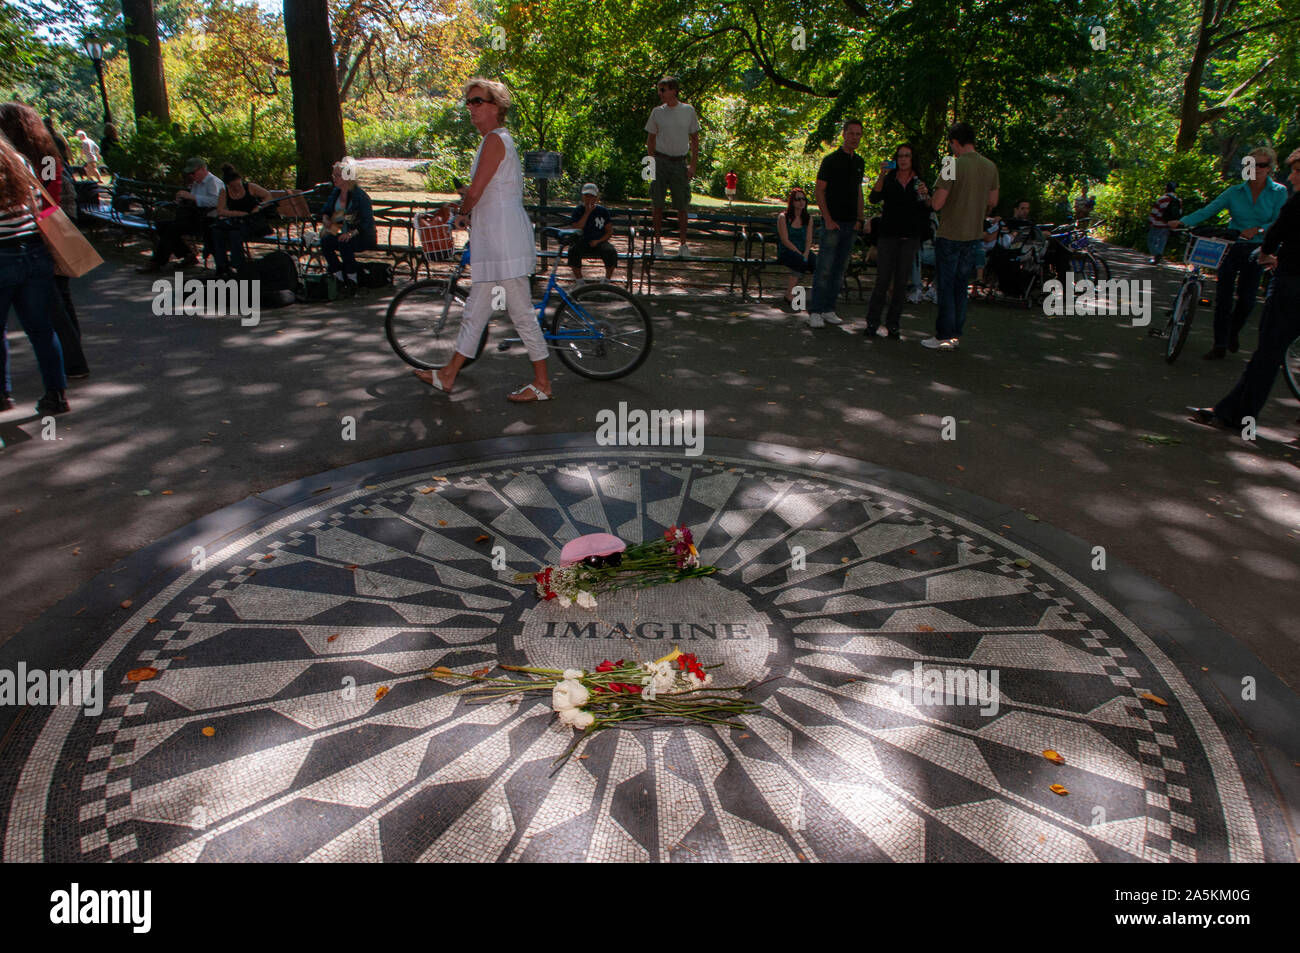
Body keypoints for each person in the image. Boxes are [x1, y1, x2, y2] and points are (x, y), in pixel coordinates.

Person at [413, 78, 552, 403]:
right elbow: (486, 193)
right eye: (469, 102)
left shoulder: (494, 140)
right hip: (493, 239)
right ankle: (447, 375)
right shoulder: (492, 140)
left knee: (519, 312)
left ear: (495, 106)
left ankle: (543, 384)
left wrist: (462, 209)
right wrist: (468, 211)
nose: (470, 108)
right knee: (475, 311)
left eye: (477, 101)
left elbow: (476, 192)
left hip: (503, 241)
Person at [1190, 147, 1300, 434]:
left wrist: (1266, 251)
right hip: (1241, 251)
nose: (1293, 176)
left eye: (1298, 171)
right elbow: (1210, 209)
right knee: (1227, 301)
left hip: (1289, 284)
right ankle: (1228, 403)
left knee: (1267, 351)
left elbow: (1277, 232)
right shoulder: (1237, 191)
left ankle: (1233, 414)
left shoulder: (1291, 200)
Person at [1169, 146, 1288, 359]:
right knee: (1223, 297)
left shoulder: (1279, 192)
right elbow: (1209, 209)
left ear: (1270, 168)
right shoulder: (1235, 192)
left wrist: (1259, 230)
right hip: (1232, 246)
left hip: (1258, 248)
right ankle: (1219, 344)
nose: (1257, 169)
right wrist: (1182, 222)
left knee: (1247, 299)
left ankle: (1233, 331)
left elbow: (1280, 221)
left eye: (1262, 165)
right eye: (1252, 164)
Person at [1, 103, 89, 385]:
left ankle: (73, 360)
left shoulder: (41, 157)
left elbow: (50, 194)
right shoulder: (34, 155)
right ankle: (72, 361)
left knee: (56, 303)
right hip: (41, 231)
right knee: (57, 303)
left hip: (47, 229)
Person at [0, 113, 69, 414]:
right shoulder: (19, 161)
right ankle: (56, 395)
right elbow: (39, 204)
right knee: (42, 329)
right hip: (34, 251)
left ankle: (3, 394)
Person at [925, 121, 999, 349]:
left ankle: (942, 335)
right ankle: (956, 332)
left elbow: (937, 203)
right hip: (973, 235)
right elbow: (993, 201)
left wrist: (928, 199)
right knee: (961, 286)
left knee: (946, 286)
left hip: (950, 234)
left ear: (955, 143)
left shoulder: (951, 165)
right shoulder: (990, 167)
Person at [864, 144, 930, 337]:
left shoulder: (918, 180)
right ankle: (872, 323)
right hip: (888, 236)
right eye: (900, 156)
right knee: (882, 280)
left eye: (907, 156)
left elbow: (927, 206)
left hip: (909, 237)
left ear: (912, 159)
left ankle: (893, 324)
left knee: (901, 283)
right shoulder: (890, 178)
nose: (903, 159)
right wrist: (882, 175)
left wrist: (926, 194)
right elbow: (874, 198)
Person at [806, 119, 866, 329]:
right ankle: (815, 310)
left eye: (858, 134)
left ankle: (829, 308)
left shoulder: (859, 162)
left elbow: (859, 191)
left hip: (851, 223)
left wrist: (860, 217)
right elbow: (819, 191)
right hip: (833, 222)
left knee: (840, 268)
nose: (855, 138)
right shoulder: (831, 160)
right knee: (824, 267)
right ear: (844, 135)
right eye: (851, 134)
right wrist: (828, 219)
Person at [644, 77, 700, 258]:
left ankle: (683, 244)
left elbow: (695, 139)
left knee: (682, 205)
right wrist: (650, 164)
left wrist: (692, 165)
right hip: (660, 161)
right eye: (659, 90)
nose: (660, 94)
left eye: (663, 90)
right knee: (657, 203)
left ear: (673, 90)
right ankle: (657, 243)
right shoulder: (657, 112)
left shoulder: (688, 110)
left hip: (679, 162)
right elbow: (650, 139)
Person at [137, 156, 221, 273]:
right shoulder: (196, 183)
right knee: (162, 225)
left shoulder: (213, 182)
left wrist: (191, 197)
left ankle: (156, 262)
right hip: (194, 217)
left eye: (193, 172)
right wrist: (183, 199)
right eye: (189, 173)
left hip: (208, 220)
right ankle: (187, 255)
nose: (191, 176)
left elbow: (216, 201)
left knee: (172, 229)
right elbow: (194, 201)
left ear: (202, 169)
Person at [319, 157, 376, 287]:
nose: (334, 178)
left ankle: (352, 278)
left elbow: (367, 222)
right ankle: (337, 275)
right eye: (334, 175)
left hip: (361, 235)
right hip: (340, 231)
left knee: (345, 242)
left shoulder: (360, 196)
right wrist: (326, 219)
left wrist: (351, 233)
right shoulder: (336, 192)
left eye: (338, 175)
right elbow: (326, 210)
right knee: (326, 241)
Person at [210, 163, 273, 278]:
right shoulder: (224, 192)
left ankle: (239, 266)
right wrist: (238, 214)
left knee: (235, 234)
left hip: (252, 221)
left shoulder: (250, 187)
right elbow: (220, 210)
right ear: (228, 185)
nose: (237, 188)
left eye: (238, 185)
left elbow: (268, 196)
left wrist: (259, 207)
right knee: (216, 232)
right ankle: (221, 265)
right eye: (233, 187)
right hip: (236, 220)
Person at [566, 183, 617, 284]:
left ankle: (607, 280)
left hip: (599, 241)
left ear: (596, 197)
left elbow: (609, 232)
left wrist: (598, 241)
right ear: (582, 196)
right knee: (573, 250)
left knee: (610, 251)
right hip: (582, 240)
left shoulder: (603, 211)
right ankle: (579, 281)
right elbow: (576, 228)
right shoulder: (578, 210)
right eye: (586, 196)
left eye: (592, 196)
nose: (589, 199)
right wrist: (587, 213)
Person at [776, 186, 816, 306]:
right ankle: (789, 294)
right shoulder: (783, 217)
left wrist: (806, 253)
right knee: (801, 262)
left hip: (803, 250)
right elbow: (785, 240)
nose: (801, 202)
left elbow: (809, 239)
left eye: (803, 199)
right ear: (792, 202)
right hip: (787, 251)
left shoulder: (808, 219)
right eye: (798, 199)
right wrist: (800, 254)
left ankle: (818, 296)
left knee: (816, 263)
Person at [1146, 182, 1180, 264]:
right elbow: (1179, 213)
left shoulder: (1162, 199)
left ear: (1166, 188)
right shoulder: (1178, 201)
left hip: (1157, 224)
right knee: (1162, 242)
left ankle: (1156, 254)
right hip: (1169, 225)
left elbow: (1154, 212)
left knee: (1151, 241)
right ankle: (1158, 256)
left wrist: (1151, 222)